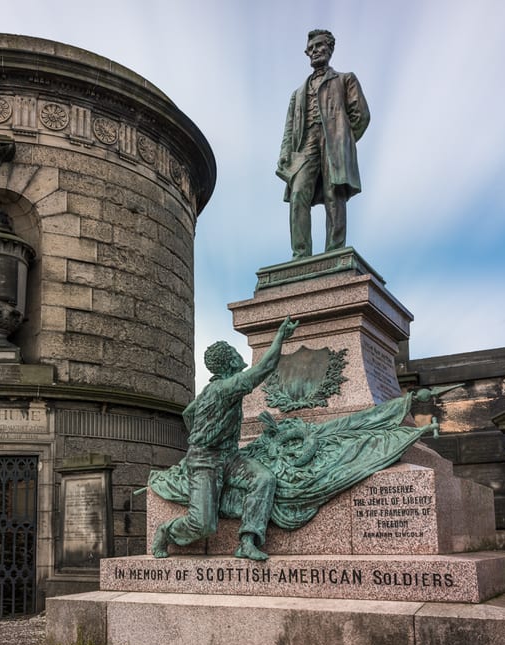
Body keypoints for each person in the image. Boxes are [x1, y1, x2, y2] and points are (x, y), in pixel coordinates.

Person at [151, 316, 298, 561]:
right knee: (204, 525)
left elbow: (189, 413)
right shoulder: (224, 388)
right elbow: (264, 369)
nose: (240, 355)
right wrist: (280, 337)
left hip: (229, 457)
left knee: (264, 478)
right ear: (230, 361)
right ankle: (166, 531)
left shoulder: (215, 388)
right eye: (234, 352)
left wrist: (208, 433)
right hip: (205, 462)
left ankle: (248, 541)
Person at [277, 29, 370, 259]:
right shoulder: (297, 94)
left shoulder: (345, 79)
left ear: (330, 48)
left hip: (334, 144)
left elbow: (361, 115)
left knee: (334, 194)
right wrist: (285, 152)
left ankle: (335, 251)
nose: (315, 50)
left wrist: (344, 141)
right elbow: (289, 128)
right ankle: (300, 255)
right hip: (305, 146)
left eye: (320, 46)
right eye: (311, 48)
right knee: (298, 193)